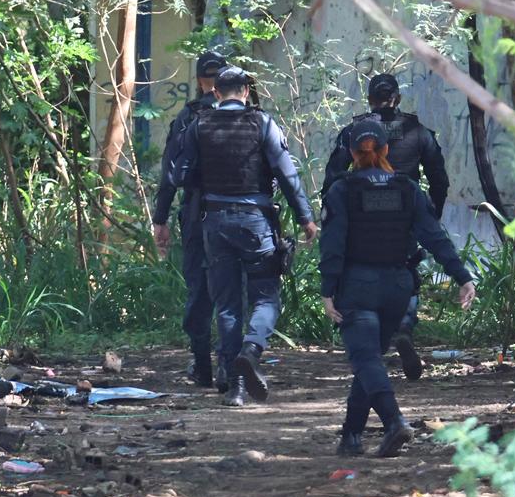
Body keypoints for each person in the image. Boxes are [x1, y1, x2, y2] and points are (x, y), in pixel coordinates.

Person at [320, 117, 475, 457]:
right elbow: (434, 237)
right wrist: (462, 276)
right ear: (387, 149)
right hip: (397, 288)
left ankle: (394, 422)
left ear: (350, 152)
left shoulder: (342, 190)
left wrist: (328, 289)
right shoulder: (408, 189)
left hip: (357, 287)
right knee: (369, 358)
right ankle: (351, 435)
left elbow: (333, 244)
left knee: (365, 358)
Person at [171, 66, 319, 407]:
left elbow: (180, 174)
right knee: (266, 297)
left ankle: (236, 388)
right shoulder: (263, 123)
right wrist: (306, 219)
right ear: (246, 92)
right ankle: (251, 351)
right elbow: (286, 174)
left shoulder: (199, 124)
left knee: (227, 305)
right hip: (256, 222)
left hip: (215, 222)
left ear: (217, 93)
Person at [322, 73, 449, 381]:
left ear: (369, 99)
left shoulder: (355, 131)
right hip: (406, 210)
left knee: (363, 271)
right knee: (405, 269)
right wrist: (430, 215)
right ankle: (404, 326)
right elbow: (439, 179)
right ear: (398, 98)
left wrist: (340, 207)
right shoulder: (417, 131)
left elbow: (333, 175)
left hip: (361, 212)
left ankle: (370, 340)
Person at [152, 50, 228, 388]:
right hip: (236, 215)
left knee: (198, 289)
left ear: (199, 80)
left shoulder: (187, 117)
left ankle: (202, 364)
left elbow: (171, 173)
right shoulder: (249, 116)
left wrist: (161, 219)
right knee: (231, 290)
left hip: (198, 214)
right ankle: (228, 361)